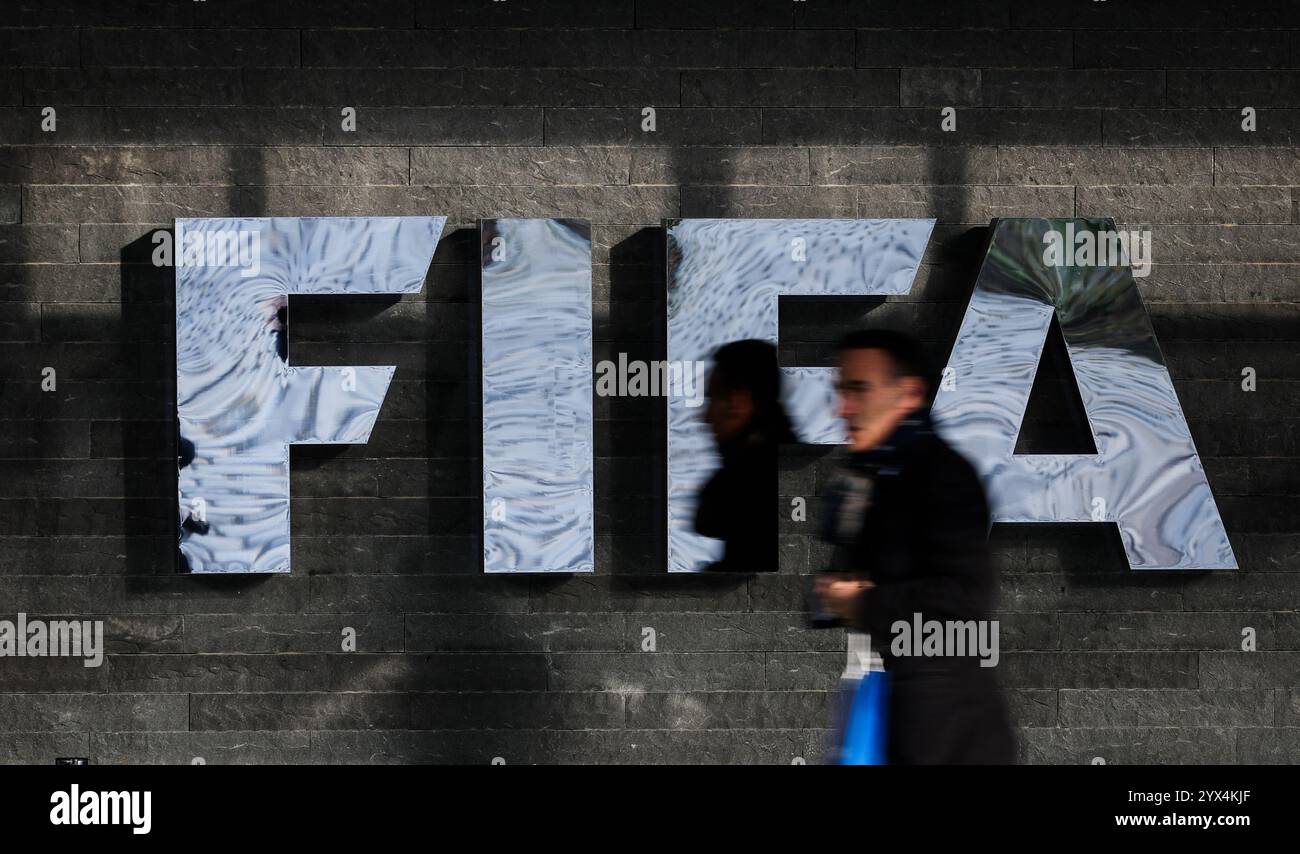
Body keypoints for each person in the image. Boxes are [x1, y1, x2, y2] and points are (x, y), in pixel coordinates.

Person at [814, 329, 1016, 764]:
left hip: (946, 724)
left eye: (858, 389)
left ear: (908, 393)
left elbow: (966, 599)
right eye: (840, 391)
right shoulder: (875, 474)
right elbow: (840, 585)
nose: (843, 408)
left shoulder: (944, 476)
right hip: (898, 704)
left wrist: (862, 603)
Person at [695, 339, 799, 572]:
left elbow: (709, 518)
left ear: (737, 403)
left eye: (712, 399)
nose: (706, 416)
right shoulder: (788, 459)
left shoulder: (749, 476)